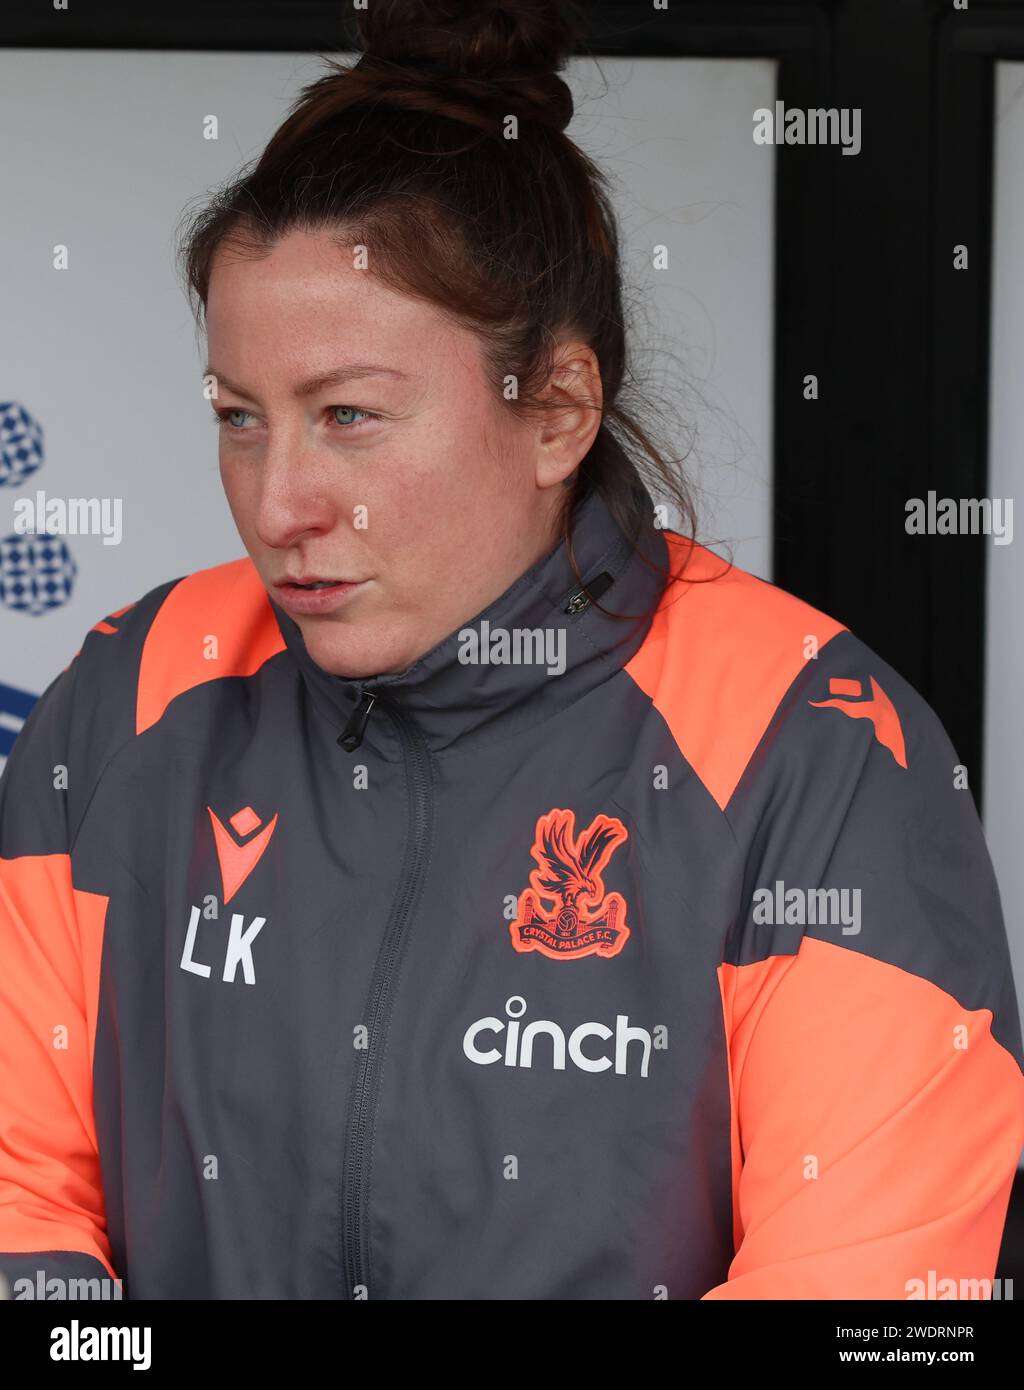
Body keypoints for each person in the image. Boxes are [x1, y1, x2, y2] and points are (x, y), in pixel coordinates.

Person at [1, 0, 1022, 1302]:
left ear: (556, 411)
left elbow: (871, 1295)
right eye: (242, 417)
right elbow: (18, 1177)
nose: (277, 502)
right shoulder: (132, 690)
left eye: (351, 416)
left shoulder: (812, 749)